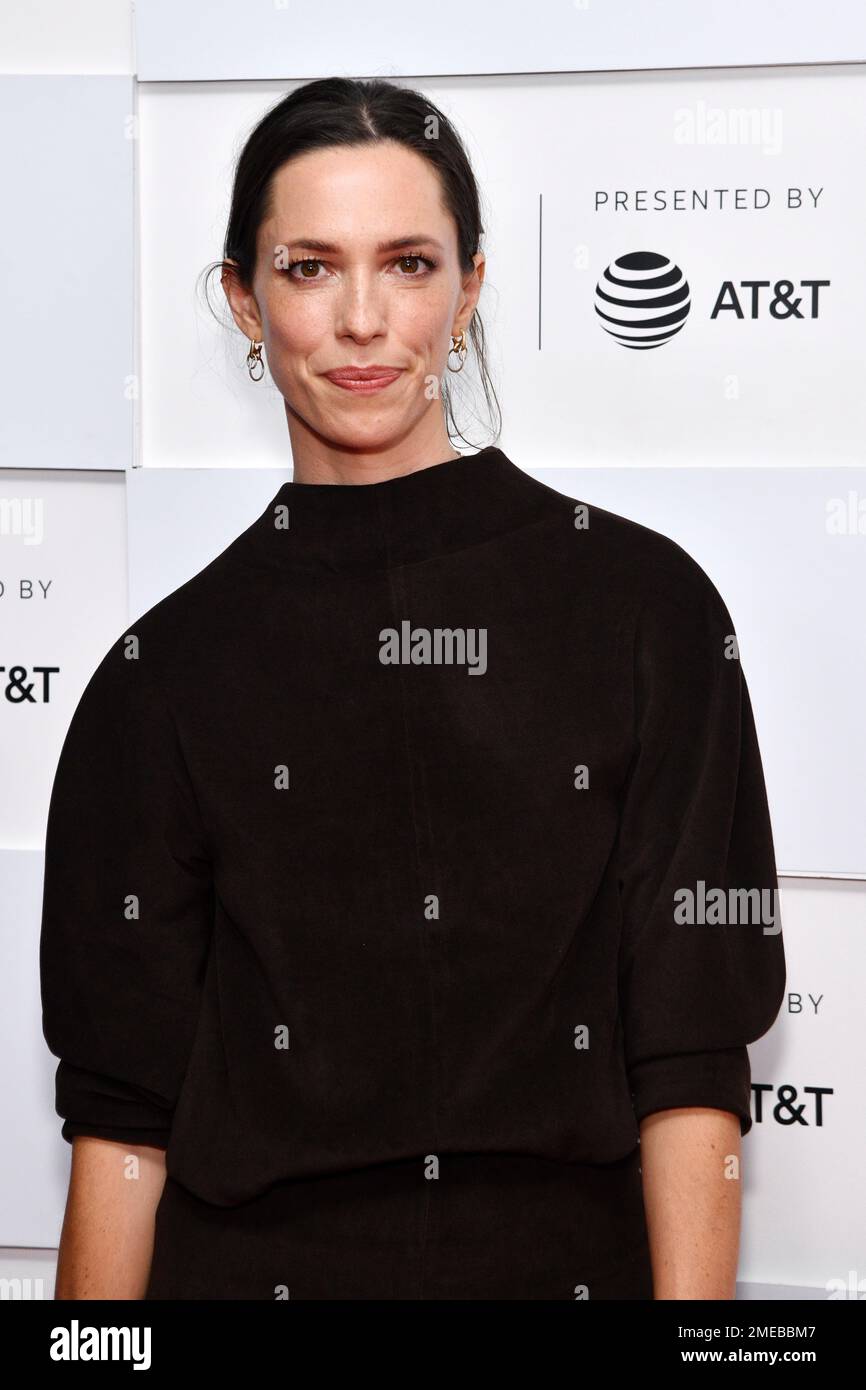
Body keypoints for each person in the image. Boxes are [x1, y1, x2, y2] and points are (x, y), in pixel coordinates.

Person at [40, 76, 786, 1301]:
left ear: (471, 286)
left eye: (407, 263)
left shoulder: (644, 611)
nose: (361, 320)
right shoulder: (158, 678)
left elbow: (689, 1061)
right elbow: (122, 1125)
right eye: (308, 268)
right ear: (242, 297)